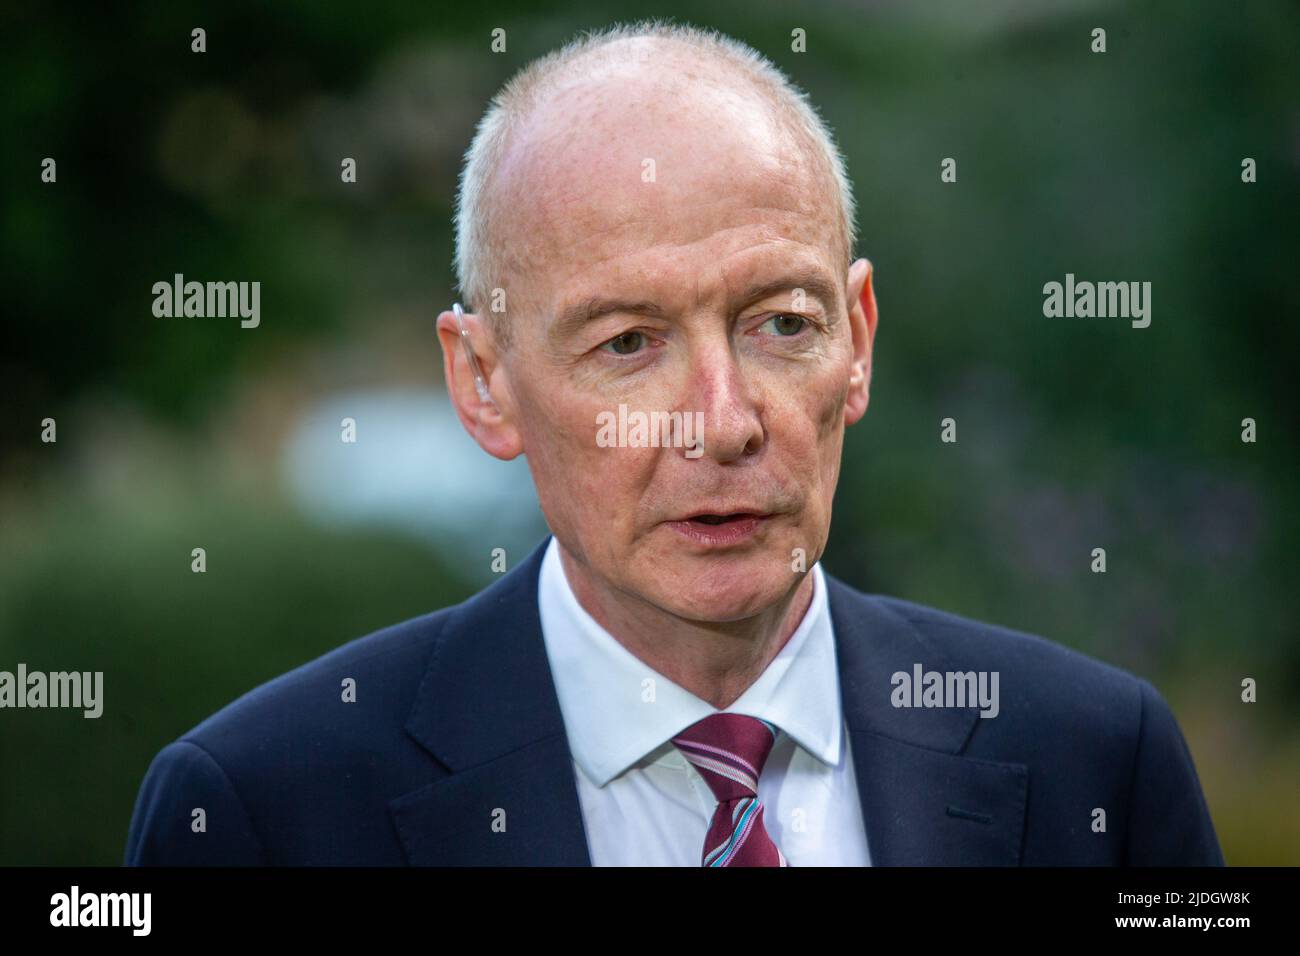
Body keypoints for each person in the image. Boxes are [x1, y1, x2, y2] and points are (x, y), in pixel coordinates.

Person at [125, 21, 1223, 866]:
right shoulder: (268, 811)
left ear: (859, 341)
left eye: (781, 324)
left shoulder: (1096, 762)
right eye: (627, 342)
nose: (724, 419)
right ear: (483, 382)